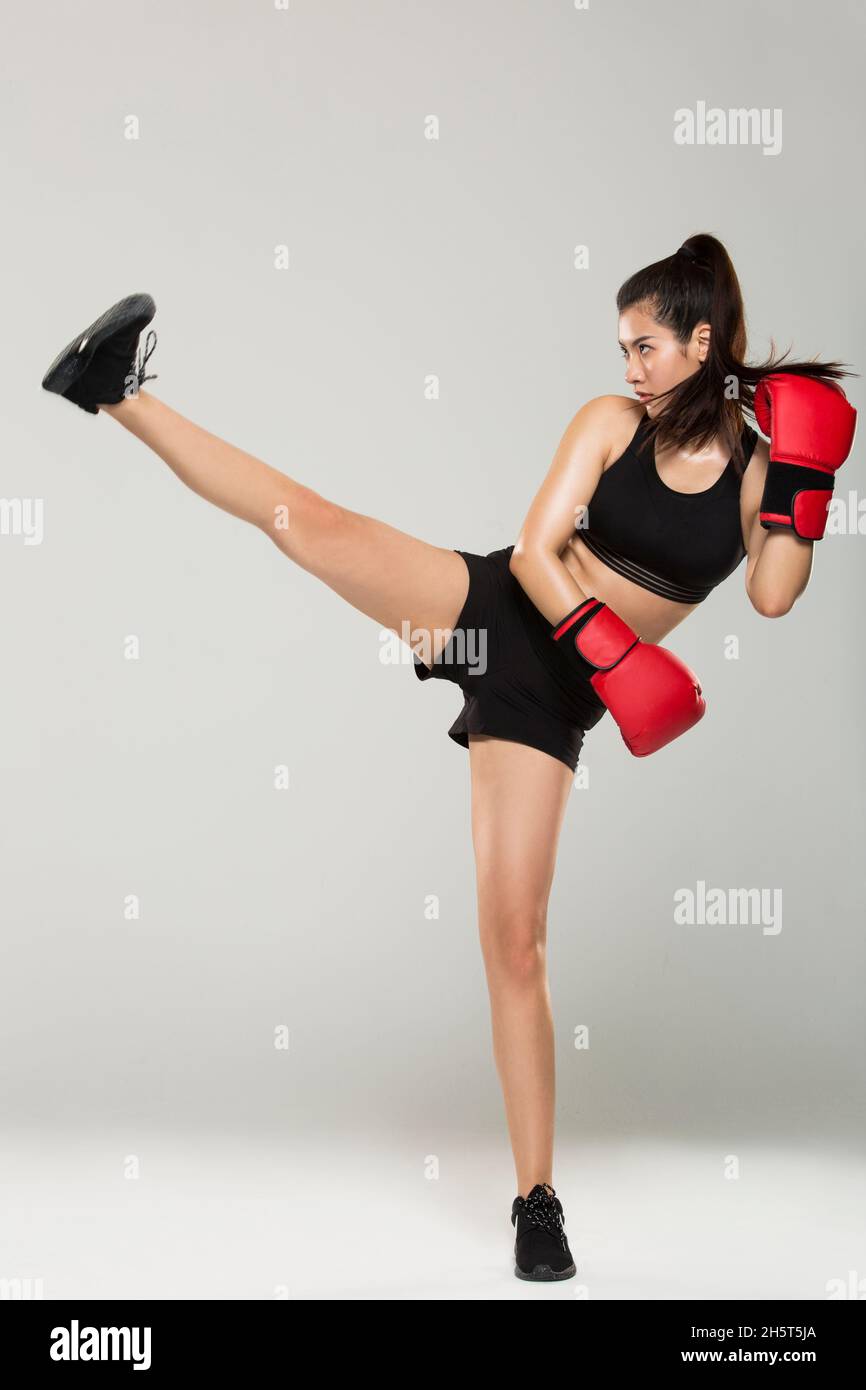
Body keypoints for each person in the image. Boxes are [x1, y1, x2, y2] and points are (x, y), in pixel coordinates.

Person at [40, 233, 857, 1282]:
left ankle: (534, 1200)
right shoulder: (609, 424)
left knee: (514, 941)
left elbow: (773, 593)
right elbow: (532, 551)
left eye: (646, 345)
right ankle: (117, 392)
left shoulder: (753, 470)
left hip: (552, 706)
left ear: (703, 341)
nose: (628, 367)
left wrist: (800, 473)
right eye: (621, 346)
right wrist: (607, 649)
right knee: (311, 524)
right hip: (496, 619)